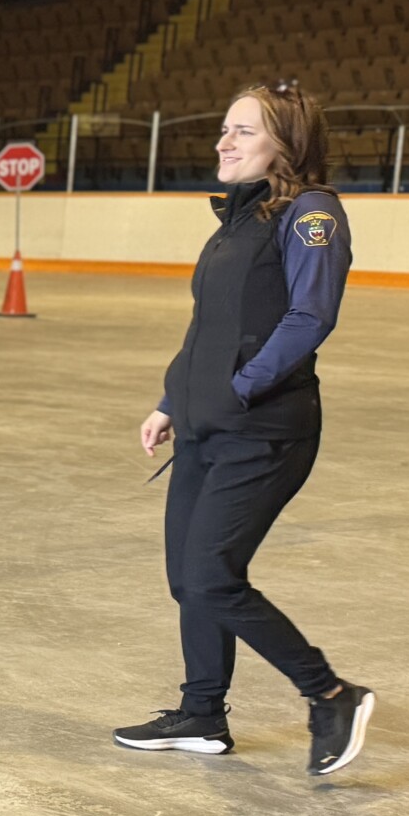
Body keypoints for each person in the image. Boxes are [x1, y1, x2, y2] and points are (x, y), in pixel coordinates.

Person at [119, 79, 372, 776]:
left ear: (284, 145)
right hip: (207, 427)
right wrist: (173, 399)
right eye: (225, 129)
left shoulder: (311, 215)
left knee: (212, 576)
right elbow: (208, 328)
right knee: (188, 577)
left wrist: (242, 387)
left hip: (265, 431)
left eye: (243, 131)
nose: (223, 142)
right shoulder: (238, 222)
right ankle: (202, 713)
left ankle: (330, 693)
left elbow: (311, 318)